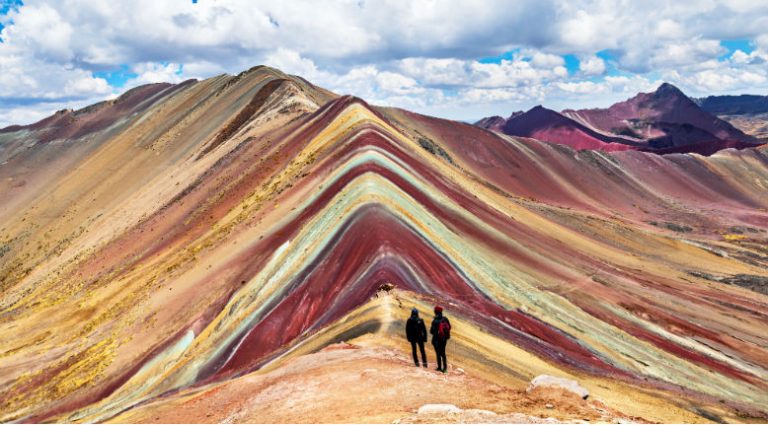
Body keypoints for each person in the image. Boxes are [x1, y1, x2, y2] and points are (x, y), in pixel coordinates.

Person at [430, 305, 451, 373]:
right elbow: (449, 327)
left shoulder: (435, 321)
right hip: (444, 339)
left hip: (436, 340)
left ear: (435, 312)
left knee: (438, 354)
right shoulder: (445, 319)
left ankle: (439, 367)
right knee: (443, 353)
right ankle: (445, 369)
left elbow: (431, 331)